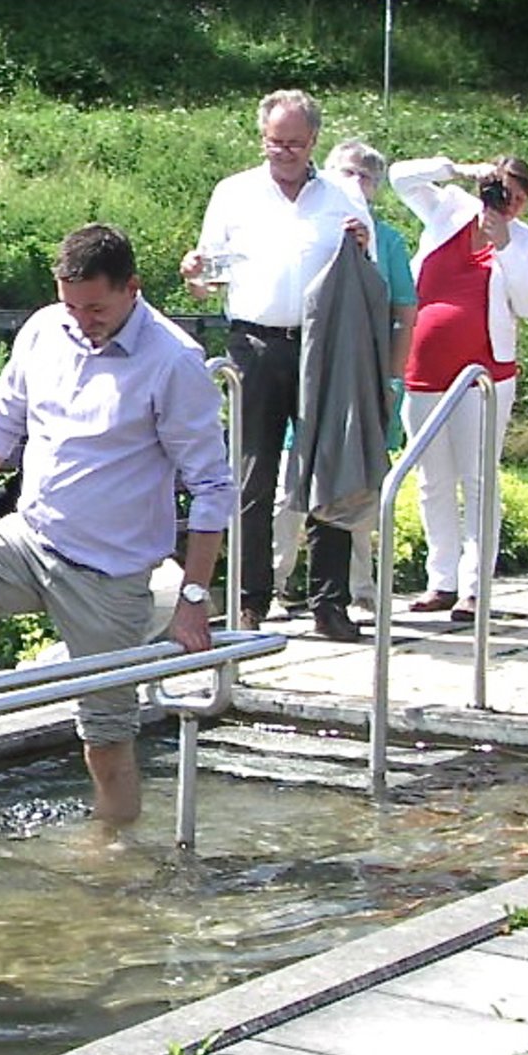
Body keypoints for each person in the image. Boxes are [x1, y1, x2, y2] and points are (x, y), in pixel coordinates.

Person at [0, 224, 234, 839]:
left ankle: (116, 861)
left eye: (96, 308)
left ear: (132, 289)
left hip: (109, 574)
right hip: (31, 539)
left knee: (105, 749)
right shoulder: (44, 330)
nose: (82, 319)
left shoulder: (172, 361)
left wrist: (193, 599)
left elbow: (213, 488)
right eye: (71, 304)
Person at [182, 89, 373, 642]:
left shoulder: (342, 193)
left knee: (331, 472)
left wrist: (362, 246)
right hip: (255, 343)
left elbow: (370, 270)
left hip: (326, 344)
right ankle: (249, 600)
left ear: (314, 141)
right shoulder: (234, 193)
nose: (284, 153)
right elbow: (203, 279)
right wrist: (193, 272)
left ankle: (329, 602)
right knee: (251, 475)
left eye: (294, 143)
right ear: (262, 139)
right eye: (274, 143)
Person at [389, 152, 528, 622]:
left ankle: (476, 587)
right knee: (432, 476)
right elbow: (399, 177)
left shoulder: (524, 241)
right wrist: (459, 170)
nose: (506, 204)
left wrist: (505, 247)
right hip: (424, 365)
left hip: (484, 373)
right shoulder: (448, 208)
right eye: (499, 192)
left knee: (478, 477)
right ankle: (442, 579)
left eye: (516, 198)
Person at [272, 139, 419, 612]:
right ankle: (275, 583)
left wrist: (392, 379)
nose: (354, 183)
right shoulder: (305, 227)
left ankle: (358, 588)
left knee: (356, 482)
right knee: (287, 486)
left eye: (365, 176)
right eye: (346, 172)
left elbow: (402, 310)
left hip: (356, 376)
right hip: (302, 372)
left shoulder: (387, 239)